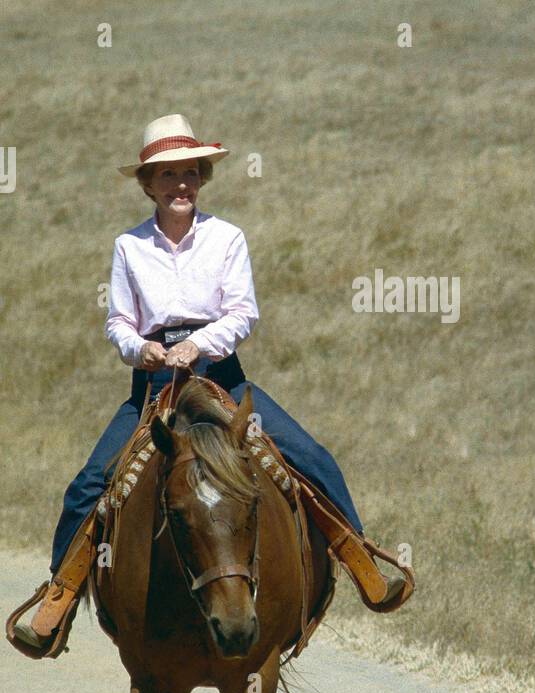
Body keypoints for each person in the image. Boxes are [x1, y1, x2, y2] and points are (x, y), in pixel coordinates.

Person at [15, 114, 404, 650]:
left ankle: (360, 557)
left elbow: (243, 313)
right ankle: (58, 597)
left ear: (202, 180)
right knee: (89, 484)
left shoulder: (227, 238)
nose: (182, 185)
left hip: (220, 376)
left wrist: (199, 344)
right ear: (148, 185)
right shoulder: (129, 247)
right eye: (169, 175)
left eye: (191, 173)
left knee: (308, 455)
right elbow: (118, 322)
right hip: (153, 387)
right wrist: (141, 348)